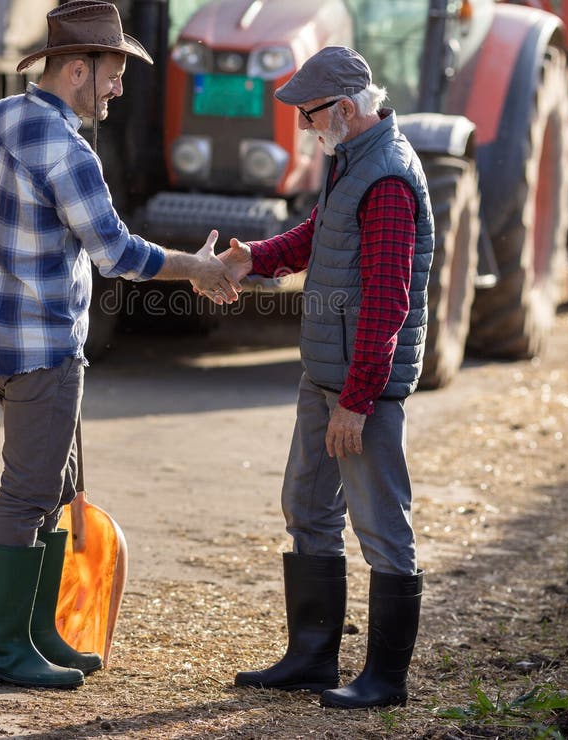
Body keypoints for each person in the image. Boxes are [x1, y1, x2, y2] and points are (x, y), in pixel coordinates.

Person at [0, 0, 241, 690]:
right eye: (111, 72)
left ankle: (37, 630)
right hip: (44, 345)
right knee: (28, 495)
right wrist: (195, 269)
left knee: (57, 487)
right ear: (76, 69)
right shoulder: (67, 148)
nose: (117, 88)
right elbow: (115, 253)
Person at [215, 46, 434, 709]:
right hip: (325, 378)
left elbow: (387, 301)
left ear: (342, 108)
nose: (305, 127)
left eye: (309, 115)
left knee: (381, 531)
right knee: (308, 511)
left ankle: (384, 682)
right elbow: (318, 236)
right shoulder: (350, 162)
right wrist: (251, 258)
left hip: (357, 393)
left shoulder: (389, 178)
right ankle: (311, 658)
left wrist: (357, 400)